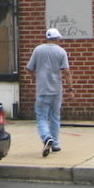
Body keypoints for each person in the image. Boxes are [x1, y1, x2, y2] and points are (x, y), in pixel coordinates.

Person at [26, 28, 73, 157]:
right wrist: (70, 89)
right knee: (55, 117)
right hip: (56, 89)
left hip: (42, 89)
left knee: (41, 117)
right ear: (57, 38)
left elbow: (29, 68)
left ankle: (46, 138)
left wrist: (33, 77)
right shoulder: (61, 52)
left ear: (46, 38)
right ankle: (56, 144)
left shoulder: (38, 50)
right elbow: (66, 72)